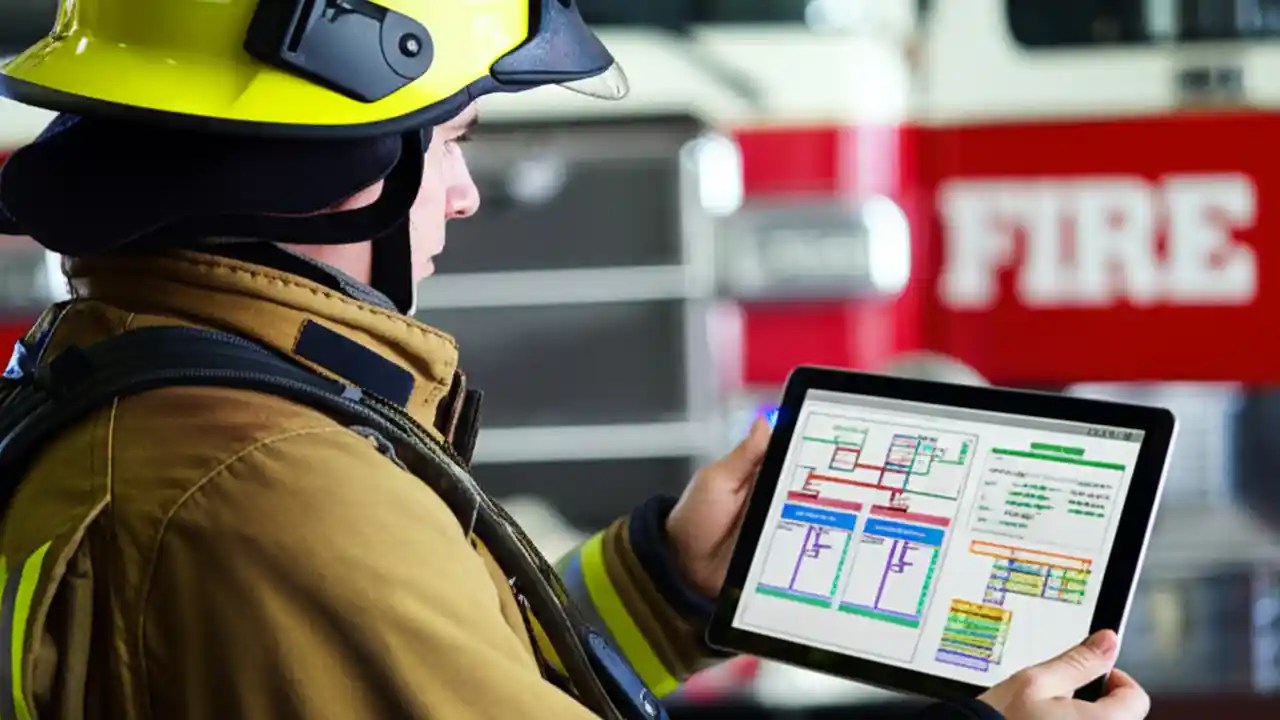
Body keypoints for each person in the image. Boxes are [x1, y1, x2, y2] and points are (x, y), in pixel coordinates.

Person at [0, 1, 1150, 718]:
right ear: (325, 160)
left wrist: (660, 590)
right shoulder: (268, 492)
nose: (463, 191)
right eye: (449, 144)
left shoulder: (117, 376)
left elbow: (418, 668)